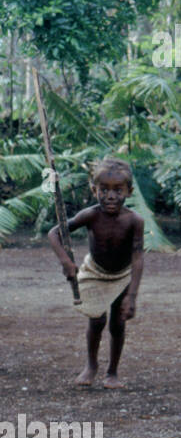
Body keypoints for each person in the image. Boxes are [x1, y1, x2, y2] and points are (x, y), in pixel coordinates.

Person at [47, 157, 144, 389]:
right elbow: (54, 233)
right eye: (104, 190)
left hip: (122, 275)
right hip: (95, 272)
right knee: (97, 319)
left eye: (118, 190)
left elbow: (138, 257)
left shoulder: (134, 221)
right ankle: (91, 365)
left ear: (129, 192)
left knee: (118, 323)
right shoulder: (89, 215)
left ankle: (112, 372)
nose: (110, 196)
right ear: (94, 190)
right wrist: (66, 262)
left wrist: (132, 295)